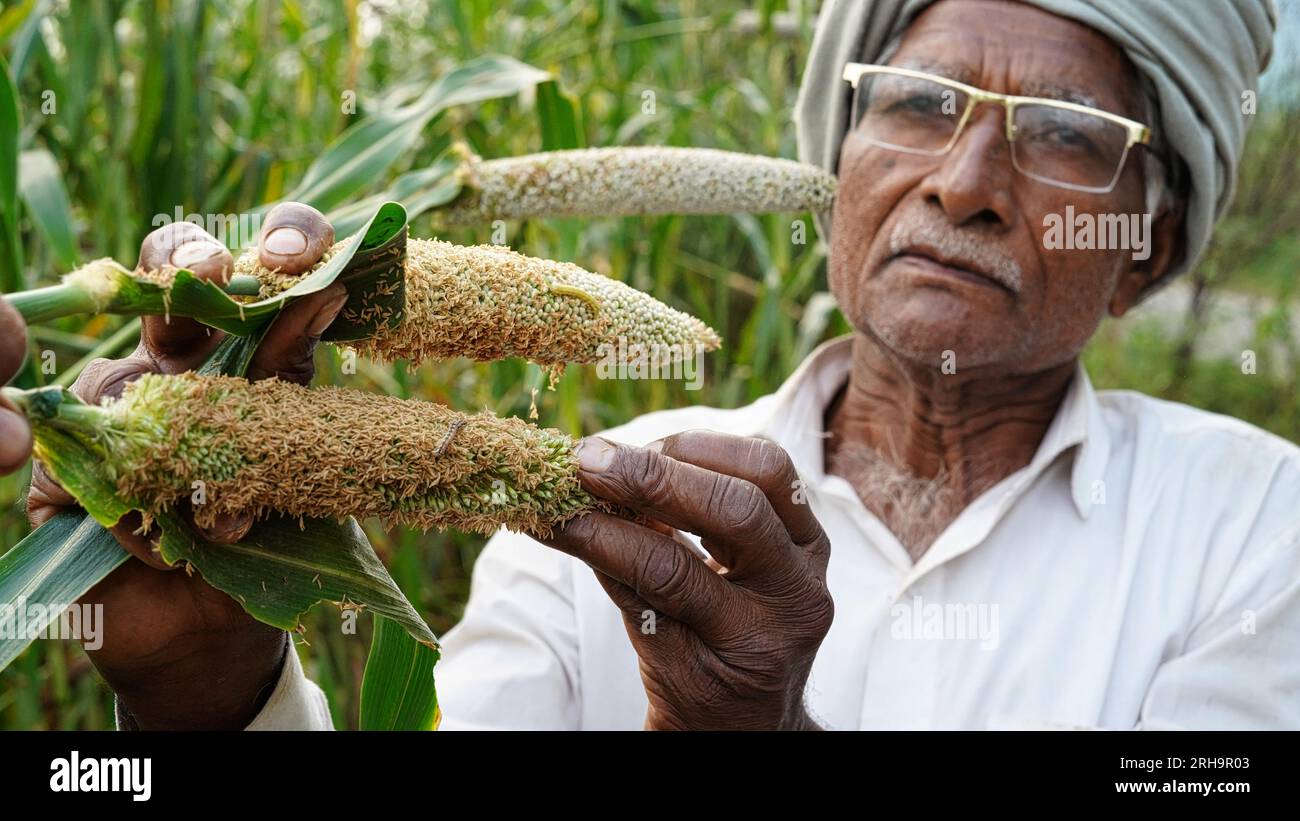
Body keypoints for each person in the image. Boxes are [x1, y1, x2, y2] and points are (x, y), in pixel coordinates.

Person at [29, 0, 1300, 730]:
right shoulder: (586, 505)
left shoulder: (1256, 531)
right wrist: (213, 681)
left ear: (1147, 243)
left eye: (1067, 136)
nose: (964, 184)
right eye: (917, 104)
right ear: (836, 160)